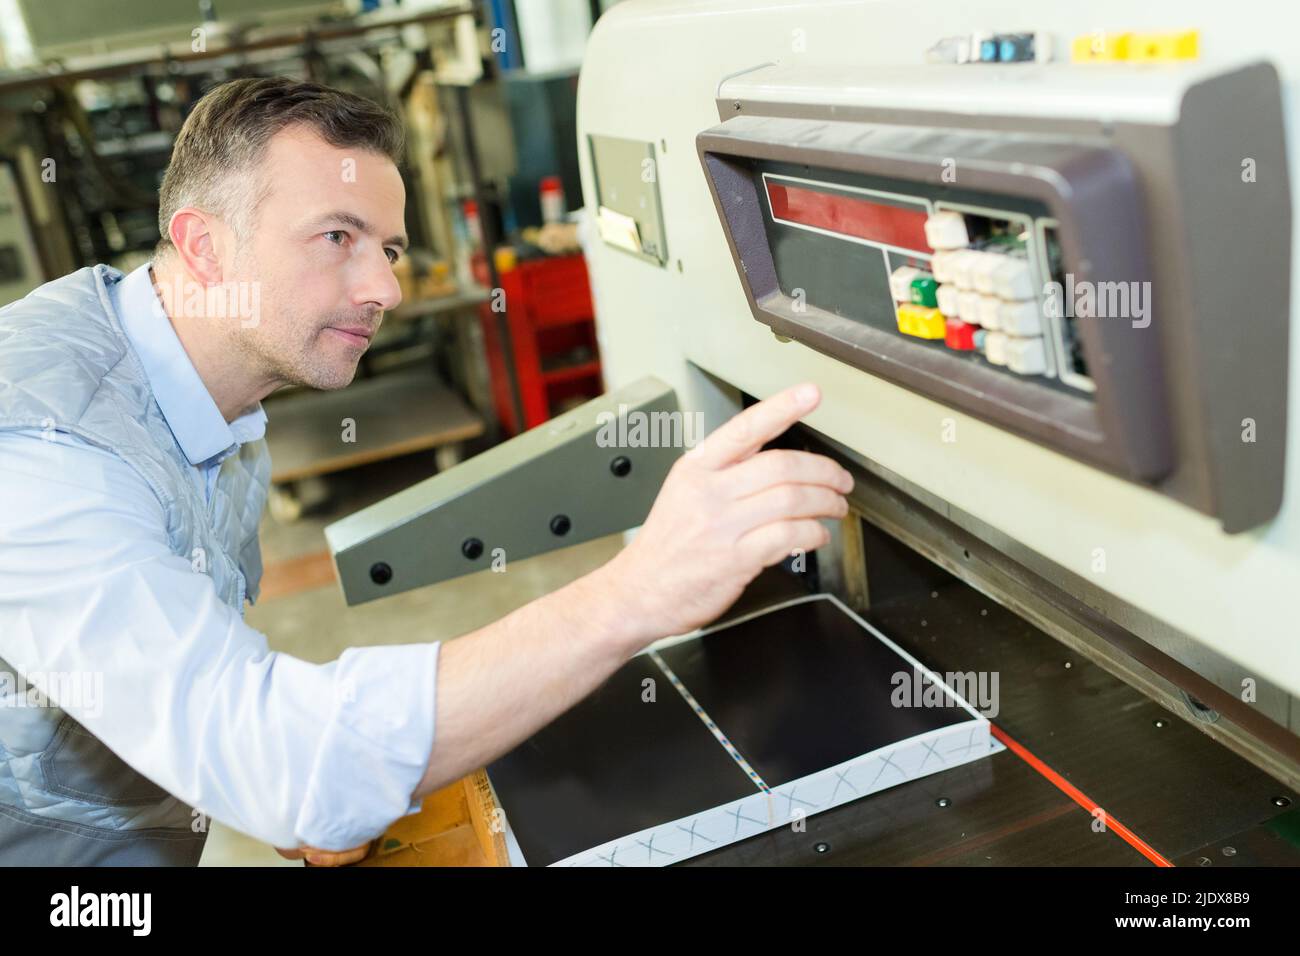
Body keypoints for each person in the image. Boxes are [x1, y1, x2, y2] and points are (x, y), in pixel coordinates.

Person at [0, 77, 852, 865]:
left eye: (391, 249)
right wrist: (638, 591)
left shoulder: (209, 381)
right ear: (204, 246)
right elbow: (280, 760)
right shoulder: (48, 454)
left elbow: (207, 678)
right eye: (337, 237)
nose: (385, 288)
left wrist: (303, 779)